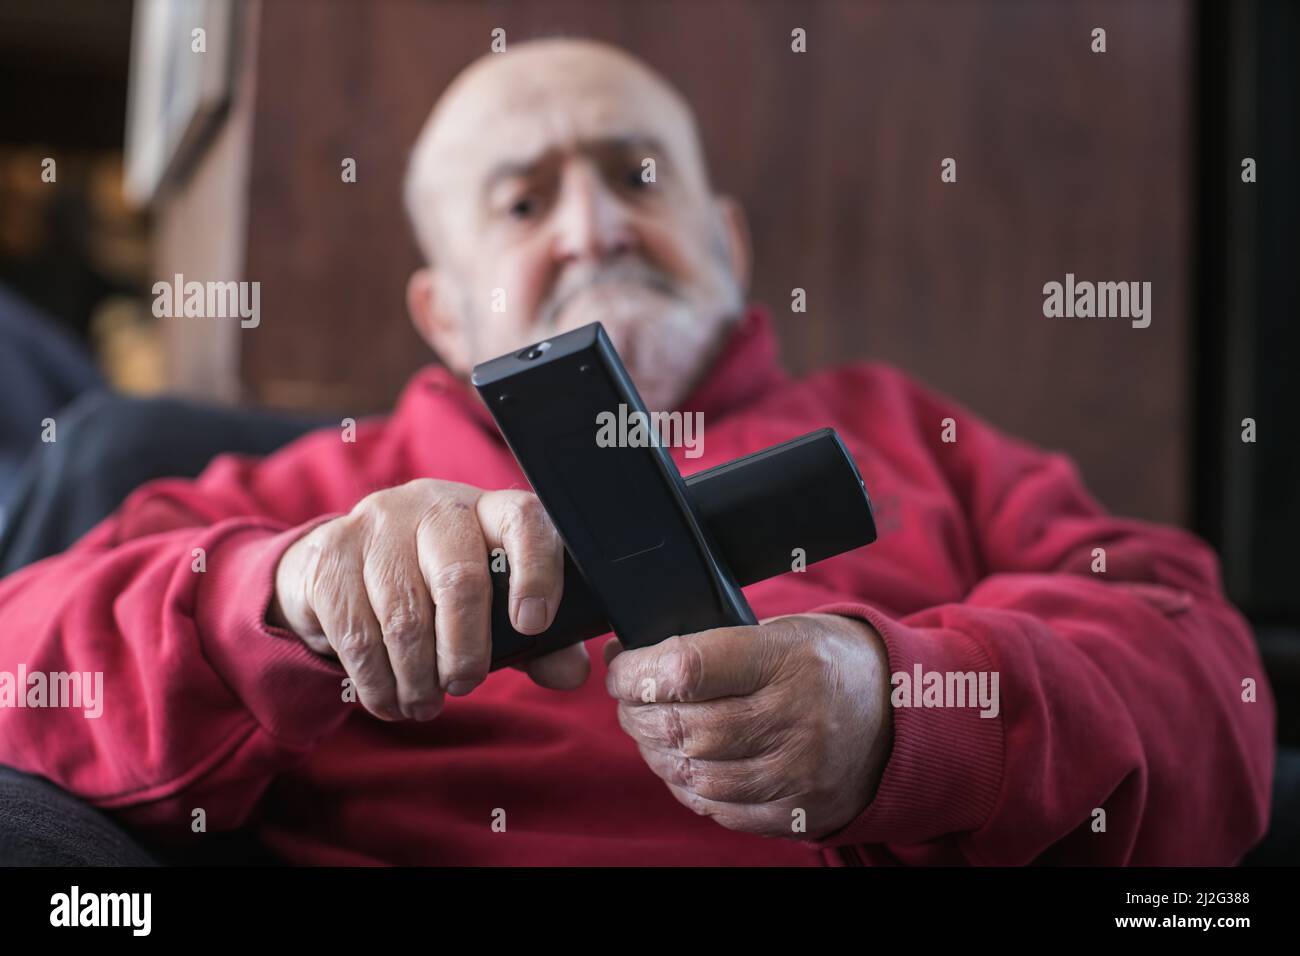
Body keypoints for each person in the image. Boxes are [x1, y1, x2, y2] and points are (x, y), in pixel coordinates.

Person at [0, 38, 1274, 865]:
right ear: (443, 311)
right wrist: (274, 598)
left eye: (638, 173)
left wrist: (906, 709)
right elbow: (23, 664)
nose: (595, 224)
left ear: (725, 239)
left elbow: (1207, 679)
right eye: (521, 201)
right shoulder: (318, 491)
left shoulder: (919, 439)